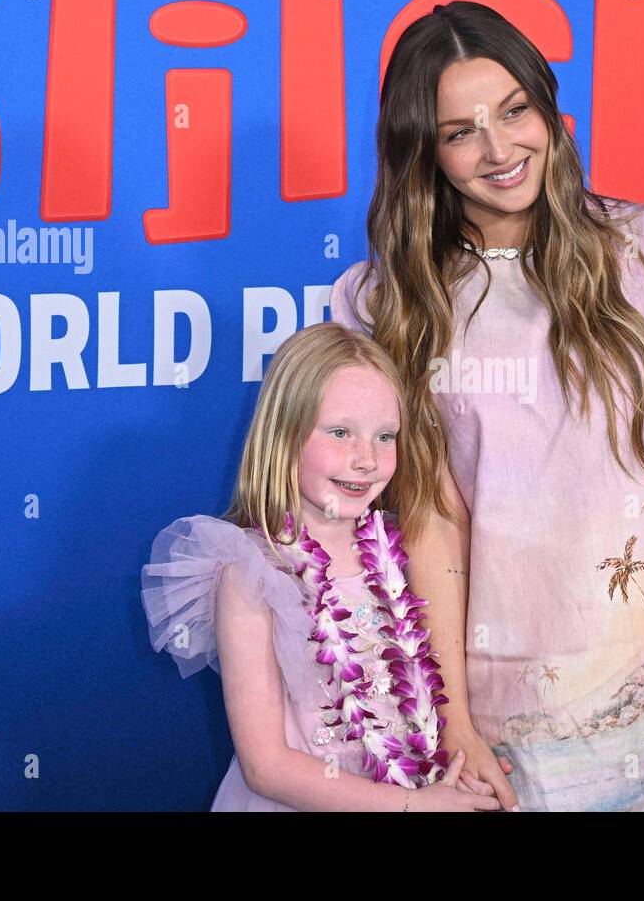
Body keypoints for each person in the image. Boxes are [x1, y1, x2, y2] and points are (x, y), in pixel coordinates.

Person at [327, 1, 644, 811]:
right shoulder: (387, 303)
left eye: (515, 111)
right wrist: (452, 720)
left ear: (548, 108)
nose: (499, 150)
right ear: (424, 152)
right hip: (520, 717)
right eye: (460, 132)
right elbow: (434, 520)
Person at [139, 322, 501, 810]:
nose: (367, 459)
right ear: (285, 434)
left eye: (385, 436)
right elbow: (265, 766)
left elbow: (413, 704)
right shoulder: (251, 571)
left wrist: (449, 779)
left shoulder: (402, 553)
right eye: (340, 432)